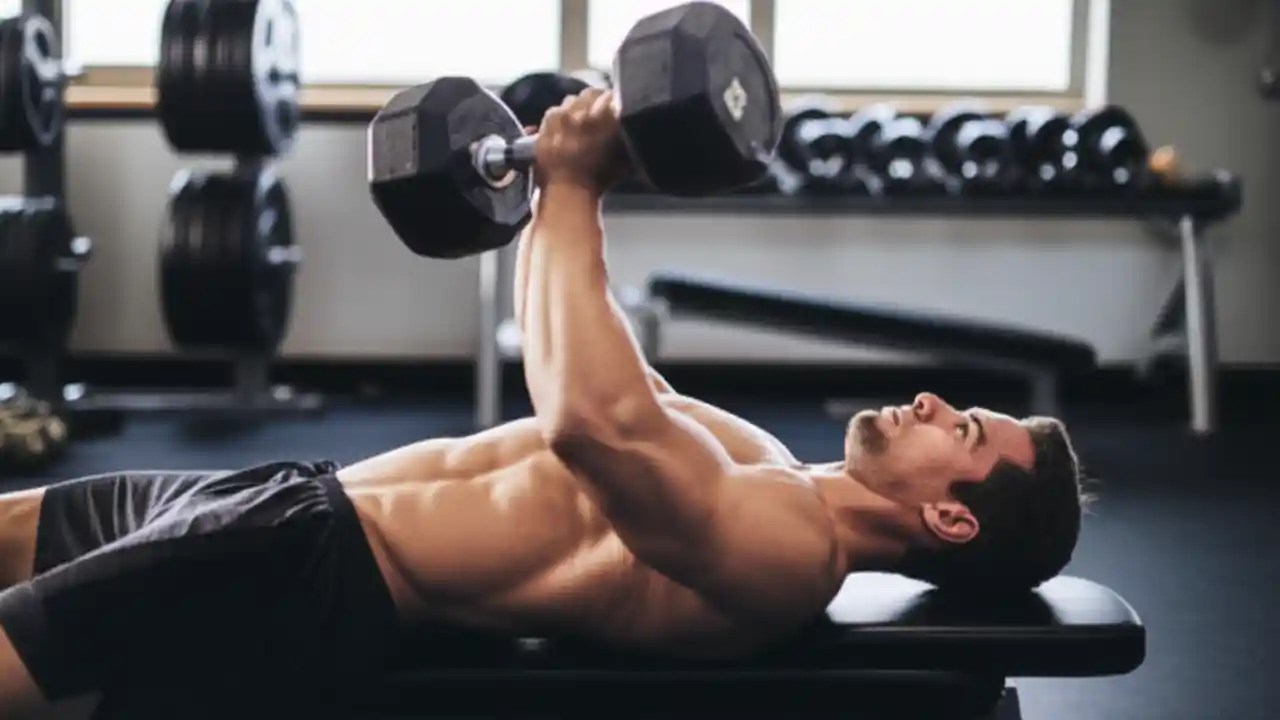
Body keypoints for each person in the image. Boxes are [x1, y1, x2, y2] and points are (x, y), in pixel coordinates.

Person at [0, 90, 1089, 718]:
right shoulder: (763, 458)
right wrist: (536, 182)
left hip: (306, 569)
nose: (935, 402)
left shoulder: (785, 555)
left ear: (949, 517)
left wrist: (576, 186)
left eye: (963, 433)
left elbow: (584, 421)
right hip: (297, 500)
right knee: (12, 528)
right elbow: (596, 357)